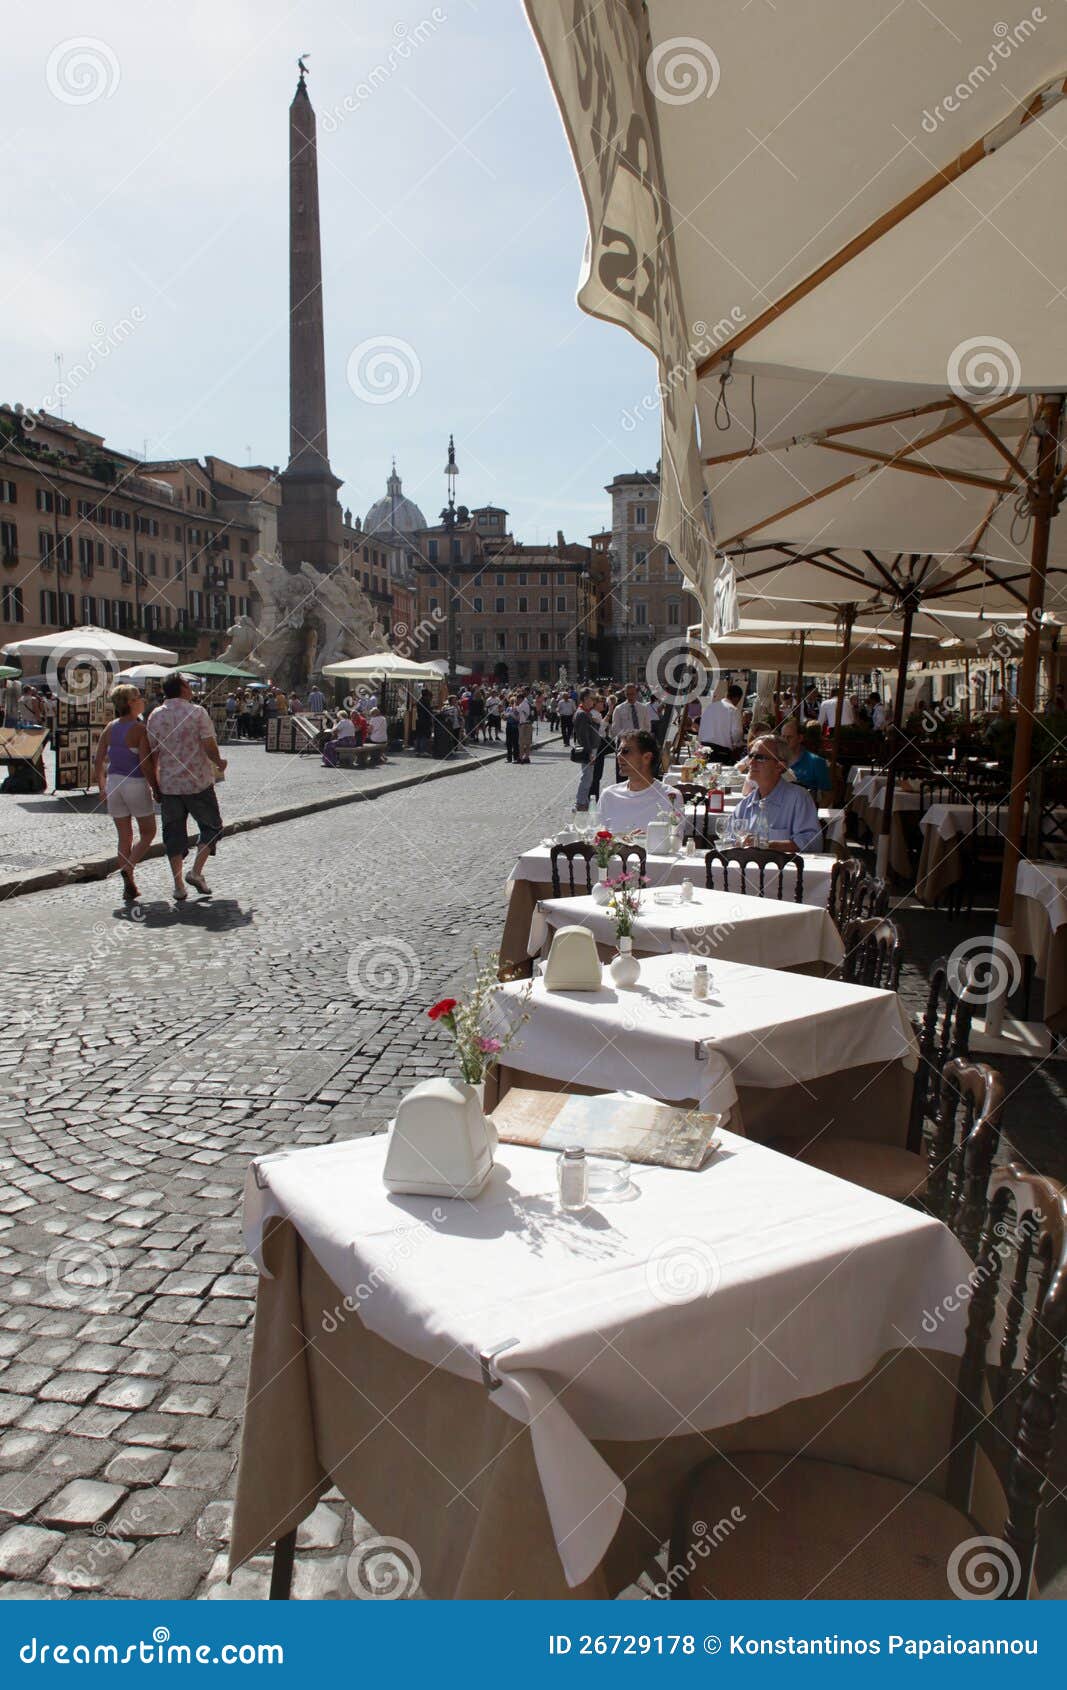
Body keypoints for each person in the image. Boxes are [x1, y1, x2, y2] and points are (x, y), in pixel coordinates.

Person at [145, 673, 227, 901]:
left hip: (169, 784)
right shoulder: (197, 712)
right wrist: (219, 762)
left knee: (173, 835)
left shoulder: (155, 716)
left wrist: (155, 784)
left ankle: (179, 885)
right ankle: (196, 871)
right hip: (198, 782)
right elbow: (209, 744)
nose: (191, 689)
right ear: (182, 688)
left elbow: (153, 753)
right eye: (188, 685)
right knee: (213, 827)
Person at [93, 684, 158, 902]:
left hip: (114, 783)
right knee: (148, 832)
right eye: (139, 697)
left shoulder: (110, 727)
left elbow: (99, 759)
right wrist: (156, 788)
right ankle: (128, 868)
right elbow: (146, 764)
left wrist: (101, 787)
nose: (142, 700)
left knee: (124, 836)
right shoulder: (140, 729)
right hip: (135, 783)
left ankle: (128, 884)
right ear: (130, 703)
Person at [731, 732, 822, 853]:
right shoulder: (744, 806)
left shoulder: (798, 798)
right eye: (751, 756)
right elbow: (728, 840)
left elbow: (812, 843)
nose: (751, 763)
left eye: (760, 758)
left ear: (780, 766)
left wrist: (767, 845)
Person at [597, 730, 682, 835]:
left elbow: (676, 841)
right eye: (618, 751)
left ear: (646, 757)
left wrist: (648, 840)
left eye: (625, 751)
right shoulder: (608, 795)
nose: (619, 756)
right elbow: (597, 837)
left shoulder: (671, 797)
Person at [573, 688, 608, 812]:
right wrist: (589, 753)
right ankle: (580, 802)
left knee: (589, 777)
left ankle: (584, 801)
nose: (593, 701)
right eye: (591, 698)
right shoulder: (582, 713)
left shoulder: (586, 712)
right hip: (588, 750)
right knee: (587, 777)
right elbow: (583, 736)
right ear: (584, 699)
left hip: (592, 748)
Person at [779, 716, 830, 798]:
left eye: (789, 737)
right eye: (783, 736)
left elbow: (828, 795)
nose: (785, 740)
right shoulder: (773, 759)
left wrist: (813, 811)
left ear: (800, 738)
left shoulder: (816, 762)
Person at [699, 683, 745, 761]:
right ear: (737, 698)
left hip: (704, 748)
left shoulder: (710, 707)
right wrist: (738, 744)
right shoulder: (733, 710)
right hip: (721, 751)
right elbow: (737, 733)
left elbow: (702, 728)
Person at [516, 691, 533, 764]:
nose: (517, 701)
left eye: (518, 699)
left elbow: (516, 714)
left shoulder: (521, 705)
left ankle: (520, 758)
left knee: (521, 743)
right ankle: (527, 757)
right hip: (529, 724)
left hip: (523, 725)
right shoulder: (528, 703)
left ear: (520, 698)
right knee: (528, 742)